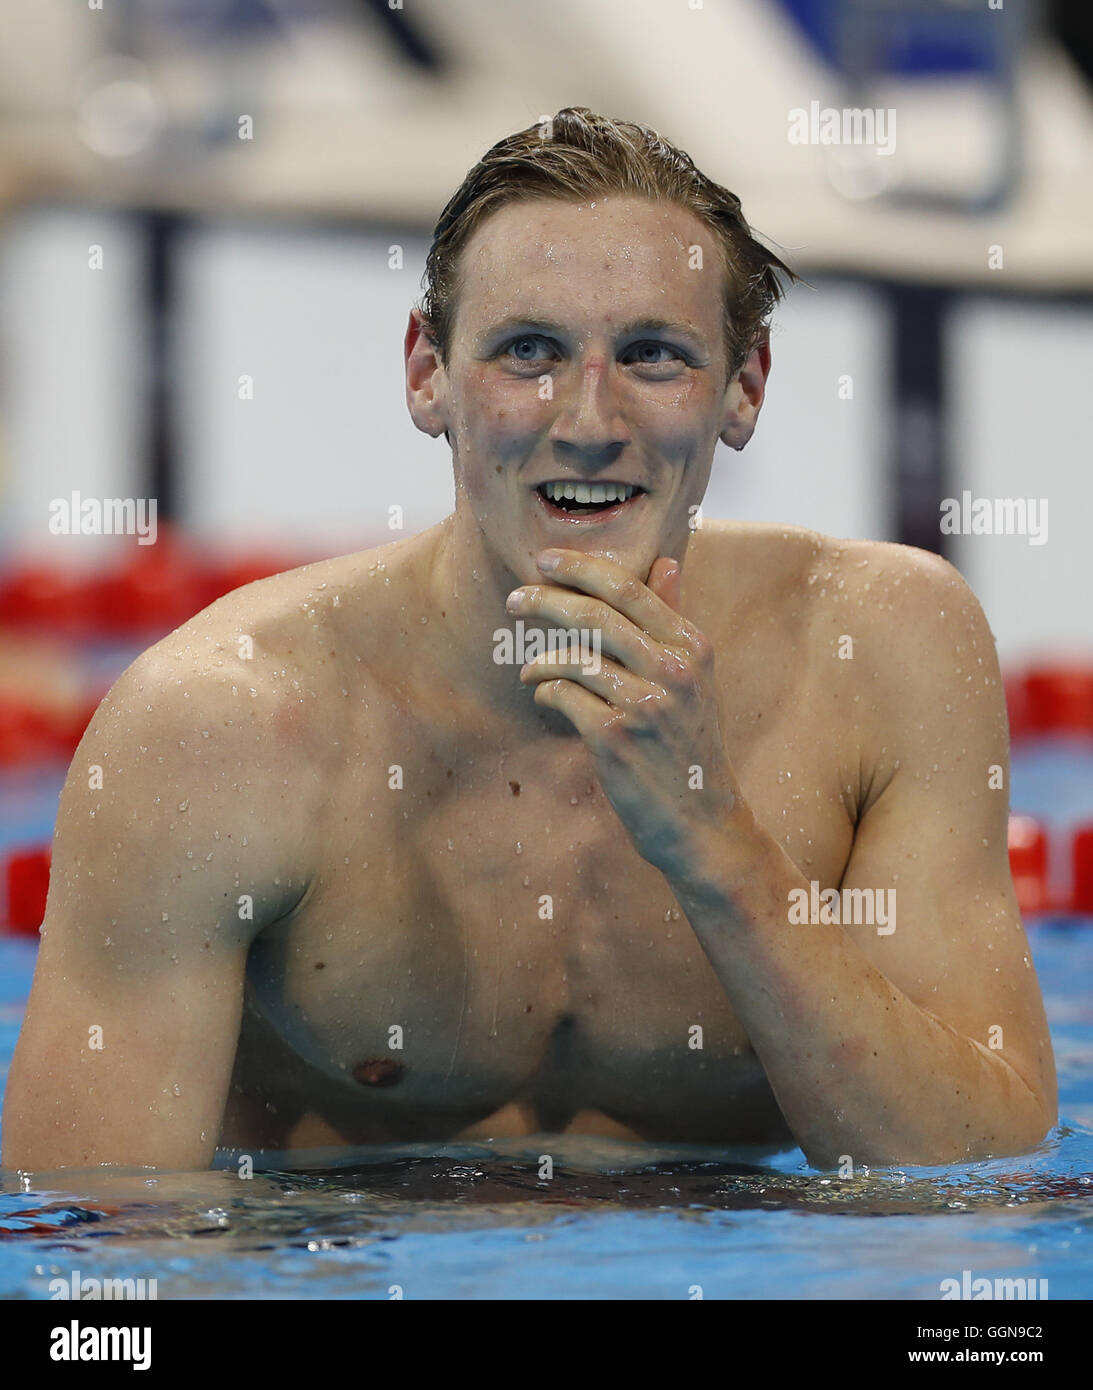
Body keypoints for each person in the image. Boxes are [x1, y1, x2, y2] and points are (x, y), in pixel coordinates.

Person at [2, 107, 1055, 1174]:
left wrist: (719, 849)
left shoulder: (887, 649)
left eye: (652, 354)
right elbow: (99, 1251)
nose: (589, 418)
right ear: (428, 375)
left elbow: (978, 1180)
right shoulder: (215, 726)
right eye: (528, 352)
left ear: (745, 387)